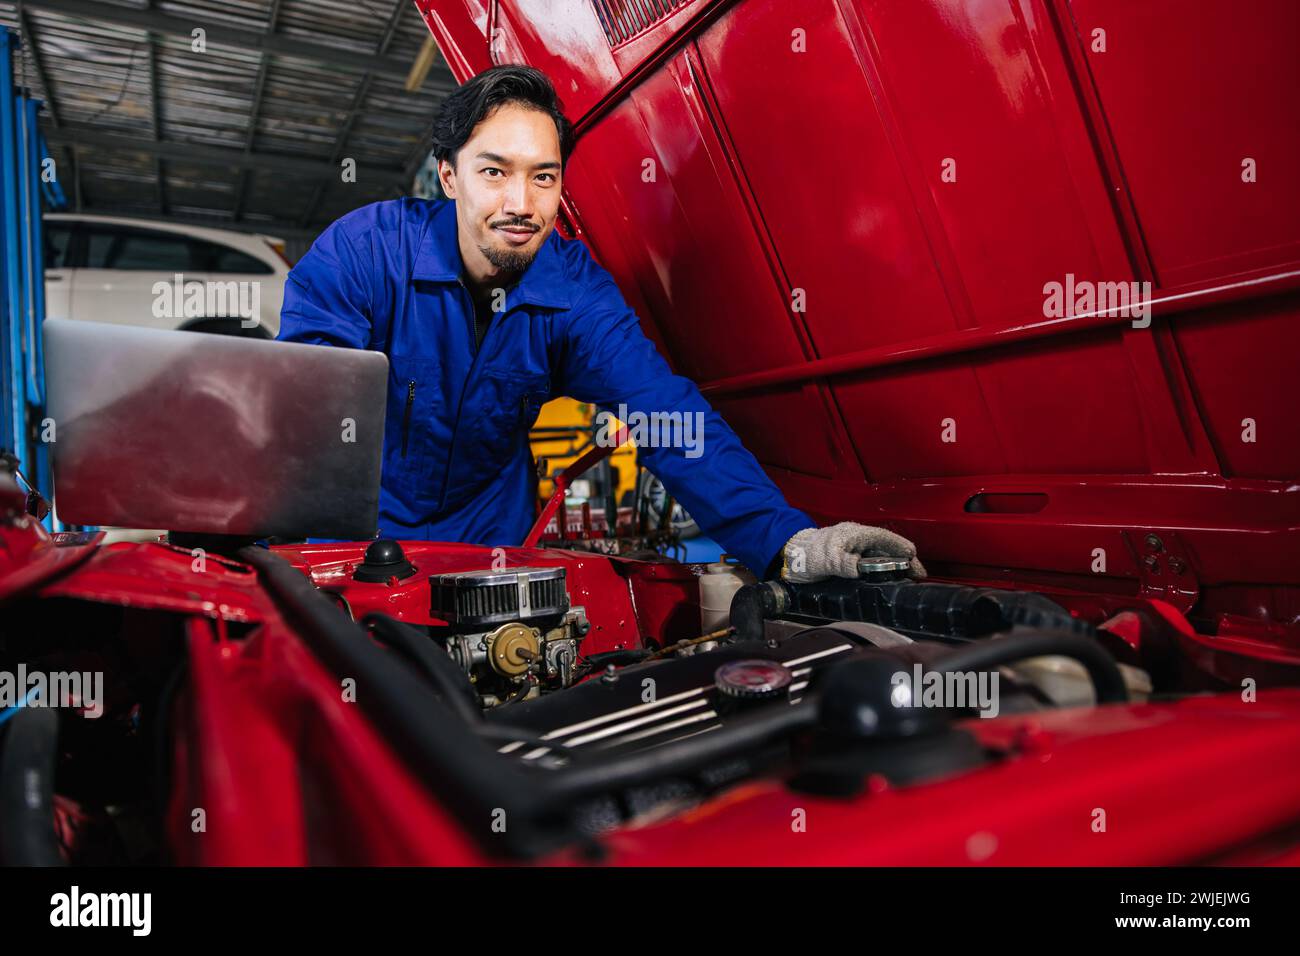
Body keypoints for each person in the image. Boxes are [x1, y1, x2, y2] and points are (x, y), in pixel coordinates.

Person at [277, 65, 923, 583]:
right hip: (355, 535)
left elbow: (666, 416)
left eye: (543, 178)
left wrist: (789, 546)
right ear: (449, 177)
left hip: (488, 548)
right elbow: (304, 408)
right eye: (494, 171)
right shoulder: (363, 254)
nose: (519, 204)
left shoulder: (575, 292)